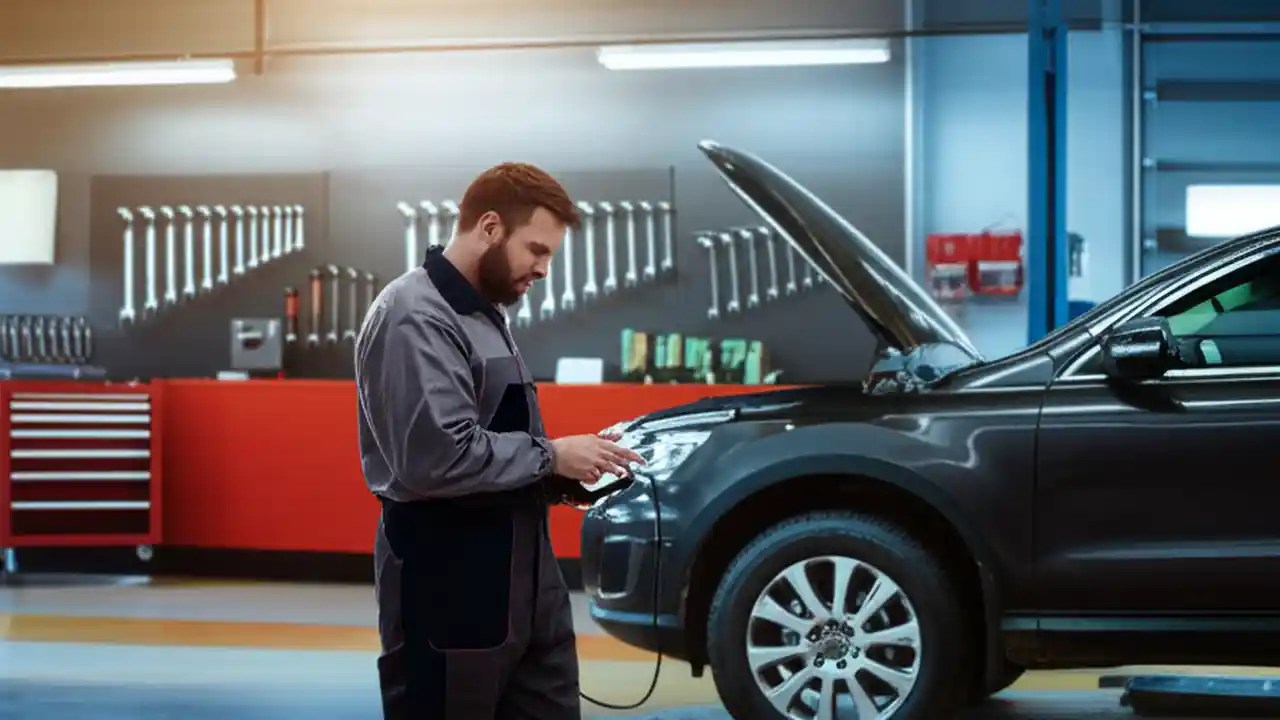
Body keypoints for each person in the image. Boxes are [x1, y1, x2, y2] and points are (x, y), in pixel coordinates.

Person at [353, 162, 645, 719]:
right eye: (536, 250)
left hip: (525, 581)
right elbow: (435, 458)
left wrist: (571, 473)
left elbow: (498, 435)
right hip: (447, 578)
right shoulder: (414, 314)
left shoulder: (487, 314)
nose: (543, 269)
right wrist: (553, 453)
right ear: (490, 227)